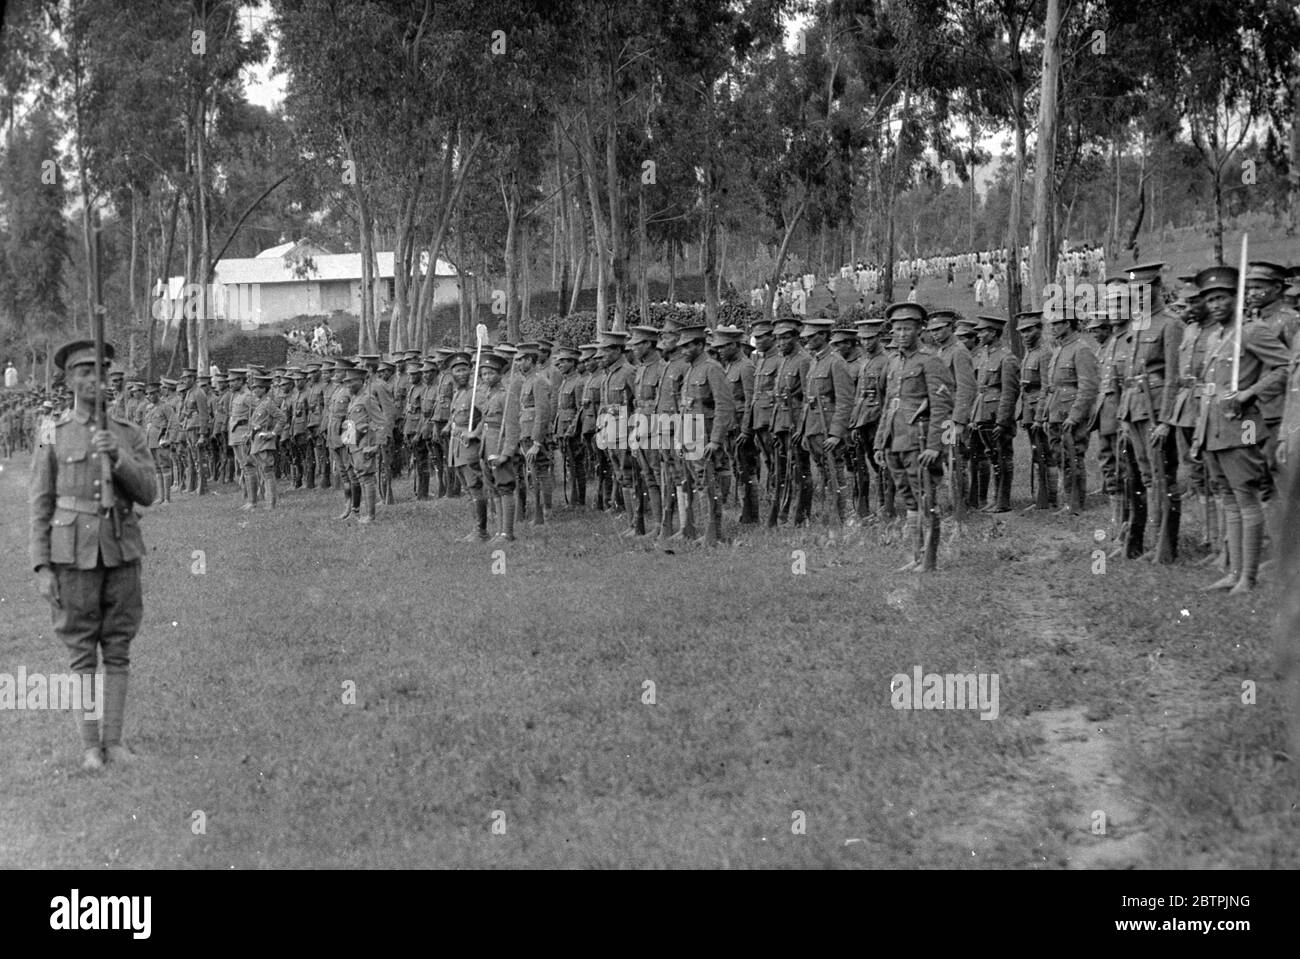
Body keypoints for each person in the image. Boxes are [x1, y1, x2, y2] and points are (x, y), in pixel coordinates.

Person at [29, 338, 157, 770]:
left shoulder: (127, 433)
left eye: (101, 372)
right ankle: (90, 748)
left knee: (118, 646)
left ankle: (115, 742)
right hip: (72, 555)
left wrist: (117, 456)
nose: (93, 380)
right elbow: (40, 504)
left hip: (120, 551)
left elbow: (149, 493)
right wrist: (42, 565)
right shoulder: (53, 434)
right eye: (84, 372)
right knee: (81, 650)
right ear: (69, 381)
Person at [1195, 265, 1289, 593]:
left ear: (1235, 299)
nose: (1215, 304)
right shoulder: (1213, 337)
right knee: (1228, 499)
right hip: (1214, 428)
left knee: (1247, 495)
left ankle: (1247, 577)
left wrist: (1249, 392)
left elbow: (1286, 367)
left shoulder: (1251, 332)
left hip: (1245, 425)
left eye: (1222, 297)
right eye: (1210, 299)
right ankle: (1234, 572)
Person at [874, 303, 955, 571]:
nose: (901, 334)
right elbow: (888, 403)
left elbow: (943, 406)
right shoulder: (893, 361)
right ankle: (916, 556)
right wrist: (879, 442)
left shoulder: (930, 360)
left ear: (920, 329)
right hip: (894, 440)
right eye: (897, 329)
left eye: (907, 328)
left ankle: (929, 561)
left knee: (926, 500)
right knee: (908, 500)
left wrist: (936, 446)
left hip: (919, 442)